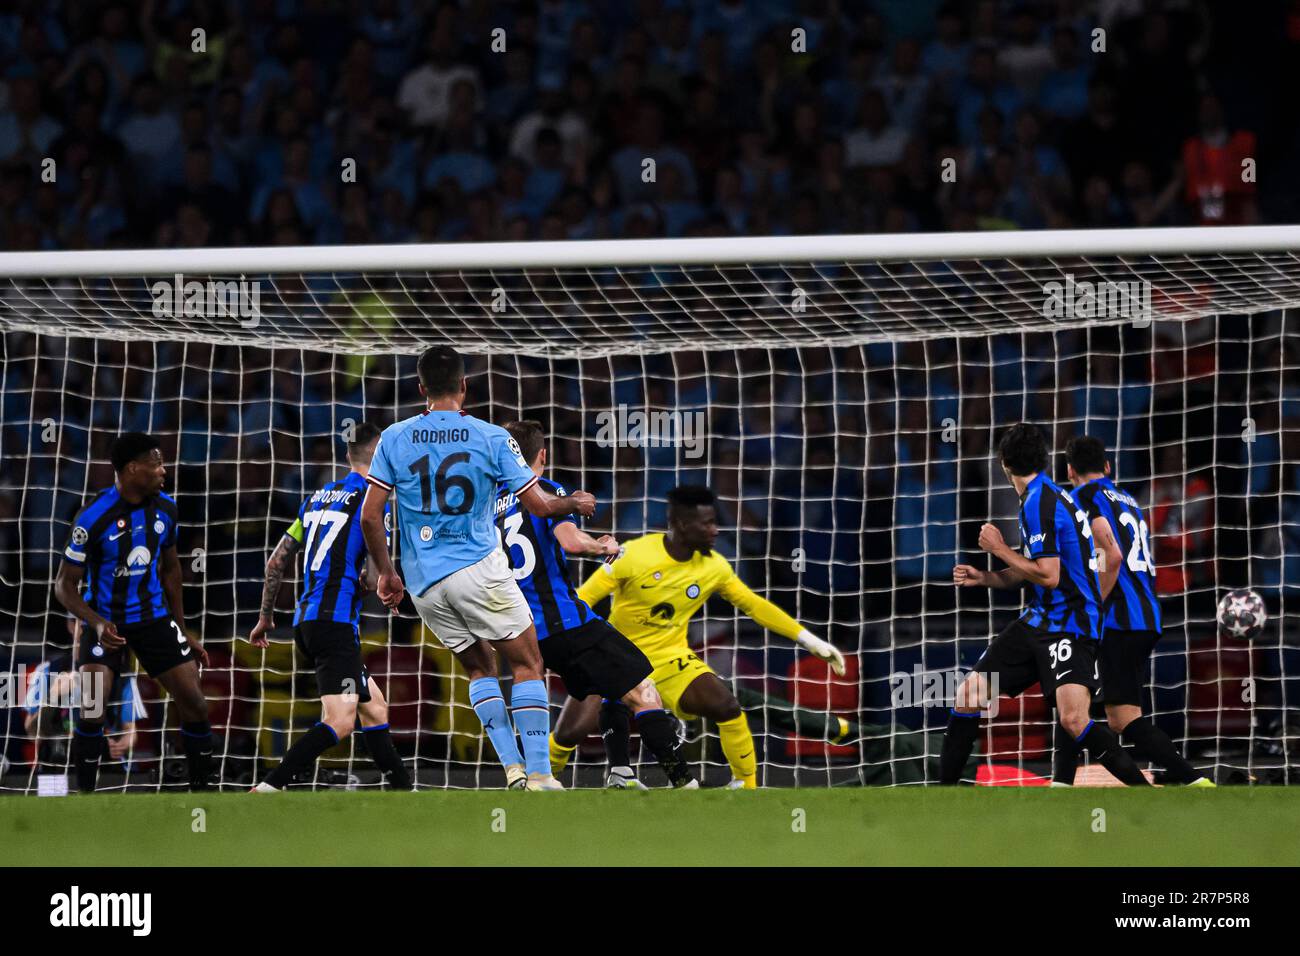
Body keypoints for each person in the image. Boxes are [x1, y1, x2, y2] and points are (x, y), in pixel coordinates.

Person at [360, 346, 595, 790]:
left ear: (421, 388)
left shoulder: (393, 437)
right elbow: (540, 507)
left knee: (478, 668)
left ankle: (511, 769)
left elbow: (371, 516)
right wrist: (574, 502)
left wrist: (387, 574)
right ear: (464, 387)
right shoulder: (491, 437)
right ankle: (542, 773)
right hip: (479, 568)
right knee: (528, 663)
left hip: (424, 583)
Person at [557, 485, 845, 789]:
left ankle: (747, 788)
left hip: (670, 659)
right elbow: (583, 598)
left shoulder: (714, 567)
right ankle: (540, 781)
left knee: (727, 706)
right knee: (570, 733)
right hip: (618, 656)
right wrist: (575, 646)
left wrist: (810, 640)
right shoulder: (633, 554)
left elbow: (753, 605)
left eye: (714, 521)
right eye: (707, 523)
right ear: (682, 525)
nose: (715, 530)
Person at [942, 423, 1148, 786]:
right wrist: (985, 576)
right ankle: (943, 795)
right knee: (970, 693)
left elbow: (1048, 575)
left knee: (1073, 720)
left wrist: (998, 549)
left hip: (1071, 623)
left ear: (1003, 463)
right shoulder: (1046, 495)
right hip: (1042, 618)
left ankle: (1142, 789)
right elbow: (1033, 570)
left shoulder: (1041, 500)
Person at [496, 420, 695, 788]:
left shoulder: (491, 504)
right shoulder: (548, 492)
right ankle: (685, 783)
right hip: (564, 621)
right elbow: (571, 542)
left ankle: (619, 771)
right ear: (543, 454)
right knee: (641, 686)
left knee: (609, 684)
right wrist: (606, 546)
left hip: (520, 630)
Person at [248, 422, 412, 791]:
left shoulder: (318, 498)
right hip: (335, 624)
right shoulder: (372, 500)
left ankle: (403, 790)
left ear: (347, 455)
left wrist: (265, 616)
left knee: (375, 707)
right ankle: (270, 786)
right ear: (380, 454)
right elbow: (372, 579)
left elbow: (275, 562)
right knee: (339, 721)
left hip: (307, 622)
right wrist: (384, 581)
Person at [54, 432, 213, 793]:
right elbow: (63, 585)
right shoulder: (93, 517)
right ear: (132, 469)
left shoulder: (167, 510)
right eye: (156, 463)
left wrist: (182, 629)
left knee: (196, 703)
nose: (163, 470)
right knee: (93, 707)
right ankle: (86, 796)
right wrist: (94, 621)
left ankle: (205, 791)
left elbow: (171, 571)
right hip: (105, 622)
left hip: (154, 619)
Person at [1056, 435, 1213, 786]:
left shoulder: (1081, 498)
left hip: (1115, 619)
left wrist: (1092, 605)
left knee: (1117, 716)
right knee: (1076, 697)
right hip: (1145, 615)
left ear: (1069, 471)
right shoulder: (1129, 499)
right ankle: (1060, 785)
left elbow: (1108, 554)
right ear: (1107, 466)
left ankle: (1194, 781)